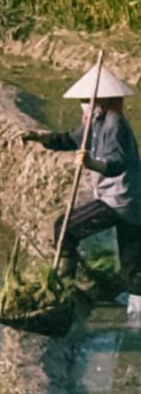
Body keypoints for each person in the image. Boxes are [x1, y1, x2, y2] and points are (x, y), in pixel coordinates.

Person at [65, 68, 139, 264]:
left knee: (65, 228)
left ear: (103, 100)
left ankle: (68, 278)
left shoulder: (113, 124)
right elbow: (72, 139)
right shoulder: (96, 122)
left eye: (86, 100)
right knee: (131, 263)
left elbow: (116, 164)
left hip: (122, 200)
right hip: (121, 200)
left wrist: (91, 163)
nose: (83, 105)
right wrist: (41, 137)